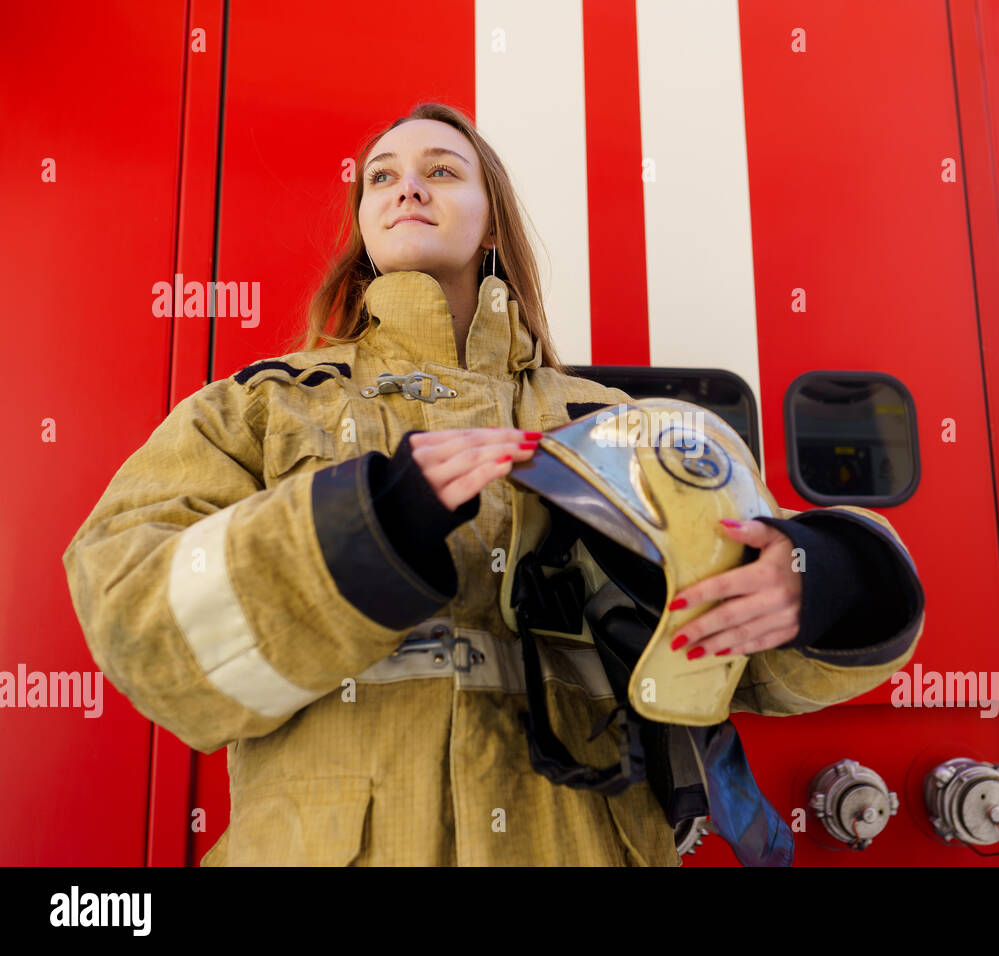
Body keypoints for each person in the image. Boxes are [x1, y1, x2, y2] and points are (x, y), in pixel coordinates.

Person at [61, 102, 925, 866]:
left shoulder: (618, 423)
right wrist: (370, 532)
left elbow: (752, 663)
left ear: (493, 228)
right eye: (381, 178)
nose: (407, 188)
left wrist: (816, 577)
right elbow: (134, 615)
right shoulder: (259, 408)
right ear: (364, 227)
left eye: (442, 171)